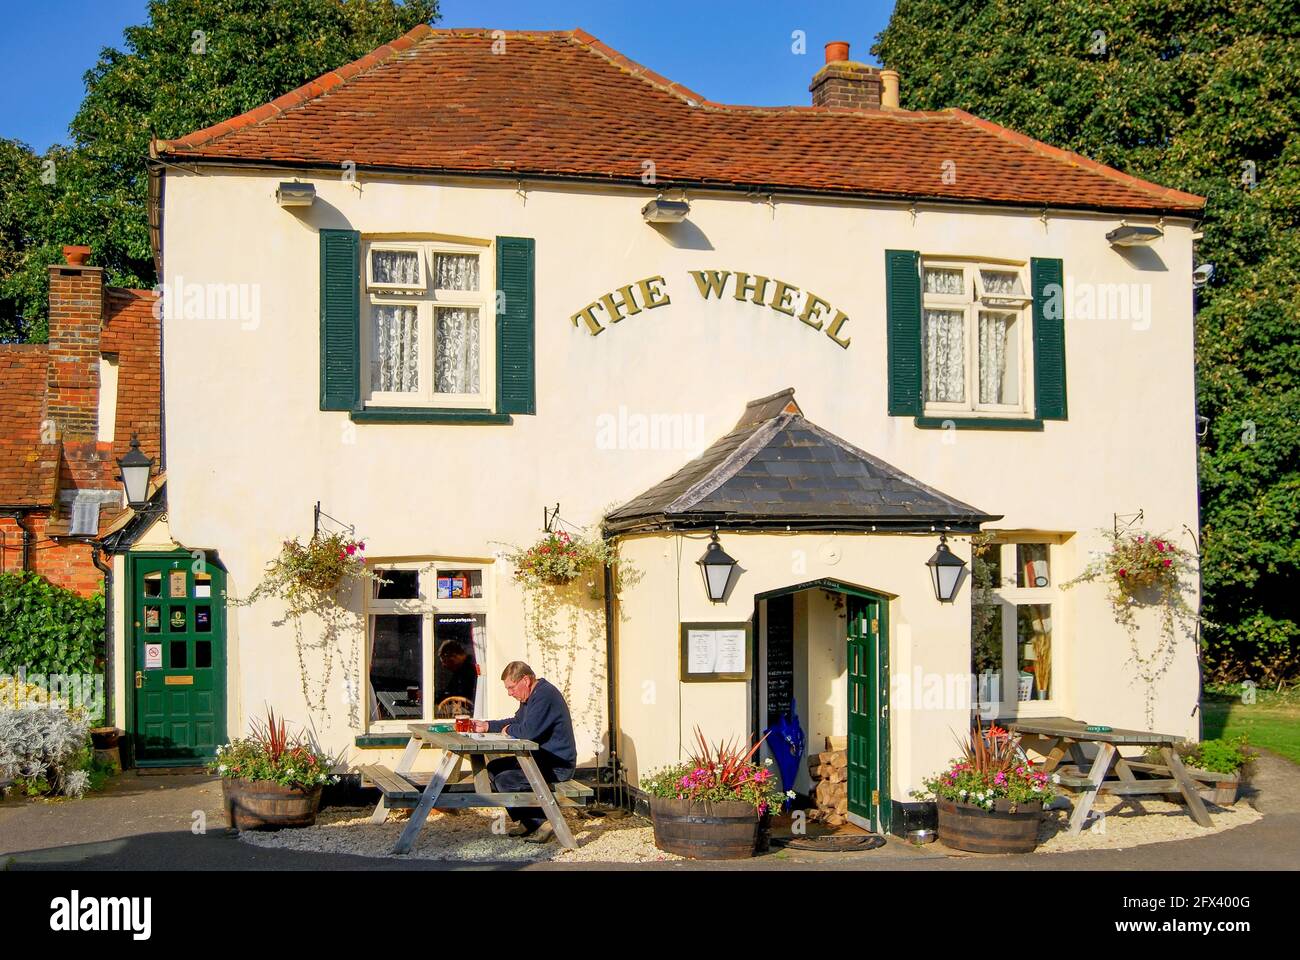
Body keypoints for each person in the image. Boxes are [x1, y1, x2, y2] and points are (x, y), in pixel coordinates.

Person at [472, 661, 576, 843]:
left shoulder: (544, 695)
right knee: (494, 768)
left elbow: (528, 731)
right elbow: (517, 721)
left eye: (511, 687)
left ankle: (543, 822)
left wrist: (509, 729)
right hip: (541, 759)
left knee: (506, 780)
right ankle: (529, 821)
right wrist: (488, 726)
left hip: (557, 765)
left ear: (525, 680)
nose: (510, 693)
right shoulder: (531, 697)